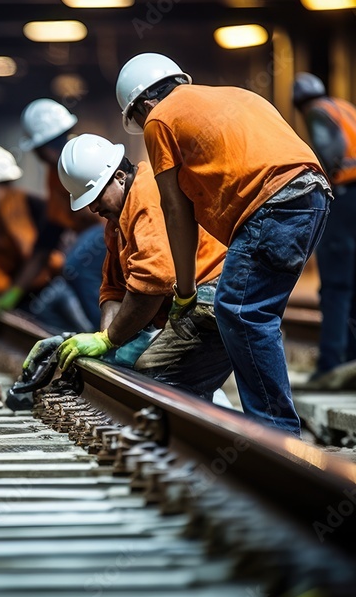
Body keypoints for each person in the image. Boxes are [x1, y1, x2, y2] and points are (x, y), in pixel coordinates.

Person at [118, 53, 330, 436]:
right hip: (313, 197)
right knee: (253, 313)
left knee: (240, 312)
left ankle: (277, 435)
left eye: (136, 120)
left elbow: (175, 211)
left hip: (272, 201)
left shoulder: (160, 118)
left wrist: (184, 294)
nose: (142, 128)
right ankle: (271, 429)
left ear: (144, 104)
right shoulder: (233, 95)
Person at [18, 134, 232, 401]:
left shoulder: (148, 198)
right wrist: (105, 342)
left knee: (155, 376)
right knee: (133, 369)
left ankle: (212, 425)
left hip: (216, 296)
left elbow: (153, 283)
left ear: (119, 176)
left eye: (95, 195)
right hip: (189, 301)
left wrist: (109, 340)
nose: (93, 207)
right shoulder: (118, 221)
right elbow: (114, 289)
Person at [293, 73, 356, 378]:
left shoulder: (317, 112)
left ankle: (330, 366)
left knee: (335, 287)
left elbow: (329, 149)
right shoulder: (344, 107)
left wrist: (320, 183)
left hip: (346, 198)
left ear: (299, 105)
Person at [0, 99, 104, 326]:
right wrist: (15, 292)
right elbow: (48, 239)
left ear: (40, 147)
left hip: (112, 230)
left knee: (76, 264)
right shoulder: (56, 176)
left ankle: (109, 336)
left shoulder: (79, 160)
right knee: (71, 268)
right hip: (99, 238)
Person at [0, 145, 92, 333]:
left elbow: (29, 251)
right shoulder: (2, 212)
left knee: (75, 336)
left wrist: (12, 295)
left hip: (44, 292)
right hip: (48, 288)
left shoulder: (10, 205)